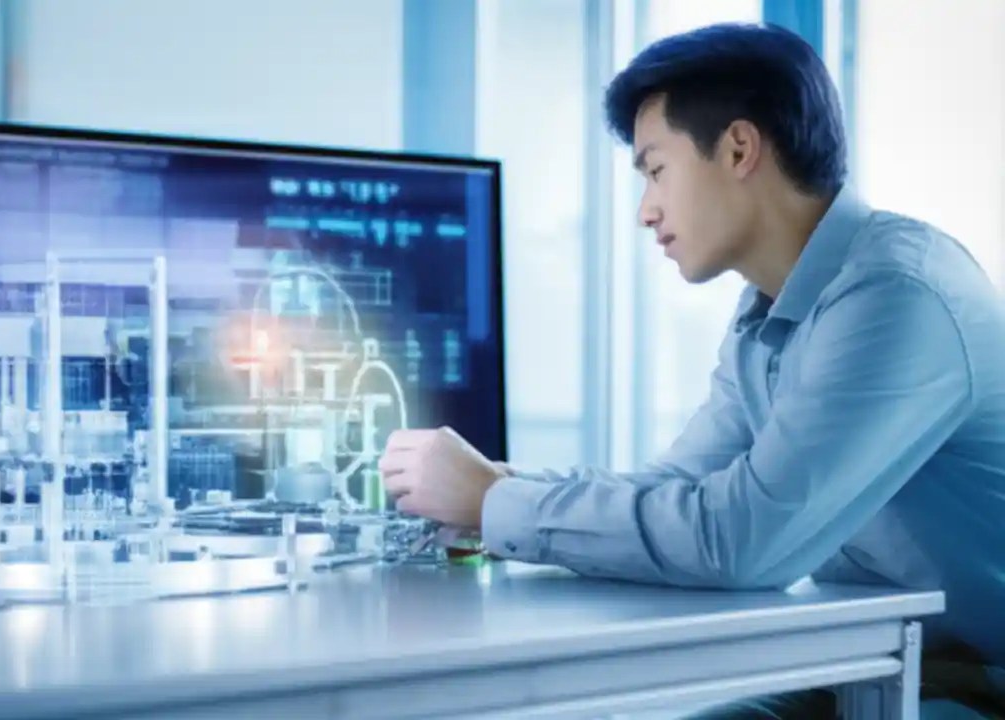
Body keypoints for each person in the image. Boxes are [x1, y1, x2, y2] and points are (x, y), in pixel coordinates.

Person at [379, 22, 1005, 718]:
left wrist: (495, 504)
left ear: (739, 147)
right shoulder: (767, 318)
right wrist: (498, 486)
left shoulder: (896, 298)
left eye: (655, 169)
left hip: (974, 682)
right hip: (884, 666)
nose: (647, 210)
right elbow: (680, 486)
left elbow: (742, 539)